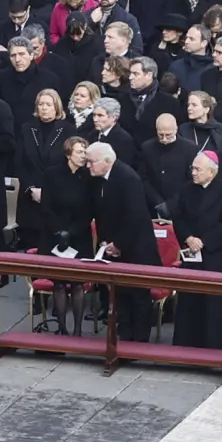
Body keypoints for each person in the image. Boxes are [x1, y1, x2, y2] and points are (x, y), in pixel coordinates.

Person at [87, 141, 159, 341]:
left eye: (91, 162)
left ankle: (139, 341)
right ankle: (125, 337)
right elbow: (103, 214)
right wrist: (105, 242)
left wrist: (118, 244)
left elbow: (134, 216)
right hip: (115, 246)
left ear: (107, 161)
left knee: (138, 296)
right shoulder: (101, 179)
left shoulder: (127, 178)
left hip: (136, 248)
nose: (88, 166)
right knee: (120, 295)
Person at [171, 150, 222, 350]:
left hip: (217, 256)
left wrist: (204, 241)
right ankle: (187, 347)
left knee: (214, 306)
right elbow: (178, 218)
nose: (194, 172)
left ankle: (215, 350)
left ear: (212, 172)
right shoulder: (186, 189)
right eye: (193, 168)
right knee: (190, 302)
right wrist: (189, 238)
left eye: (198, 169)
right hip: (192, 254)